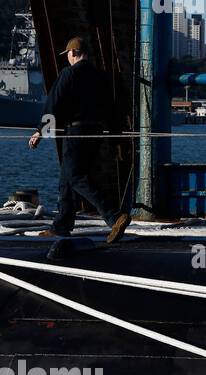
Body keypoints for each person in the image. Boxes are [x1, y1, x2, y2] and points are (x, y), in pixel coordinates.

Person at [27, 37, 131, 242]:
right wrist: (117, 138)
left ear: (73, 53)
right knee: (67, 178)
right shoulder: (101, 77)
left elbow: (53, 104)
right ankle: (61, 226)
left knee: (75, 177)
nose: (67, 58)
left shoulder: (69, 74)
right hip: (96, 134)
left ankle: (114, 216)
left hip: (75, 132)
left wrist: (41, 131)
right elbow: (112, 109)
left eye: (67, 55)